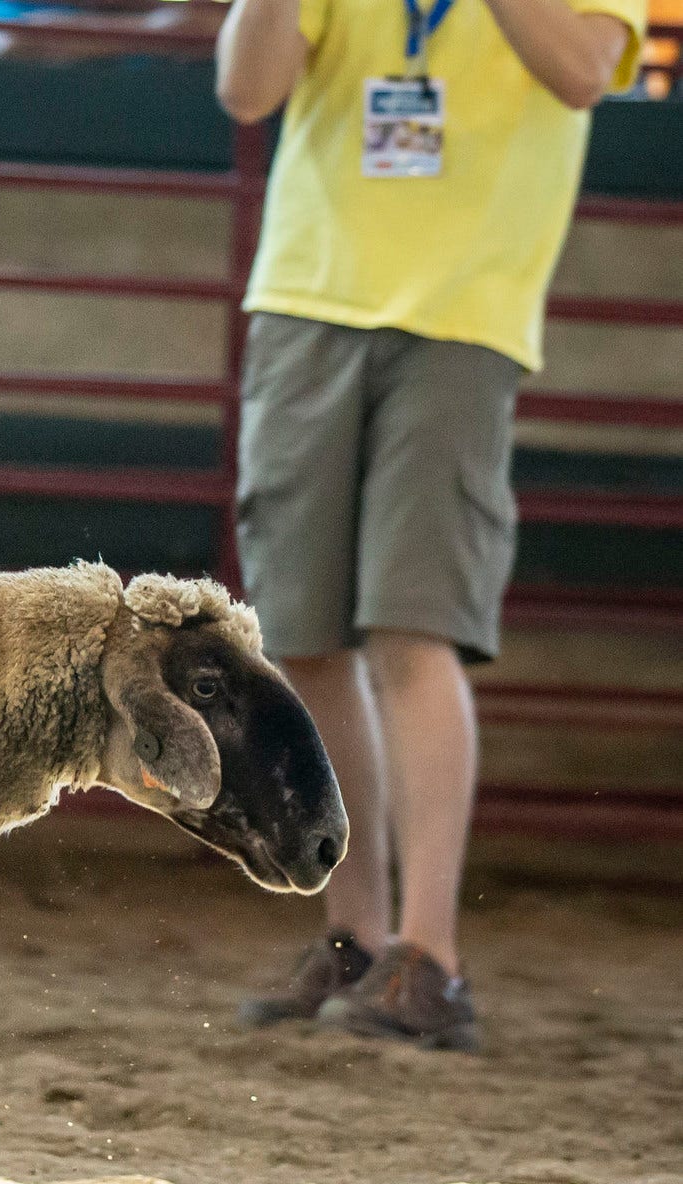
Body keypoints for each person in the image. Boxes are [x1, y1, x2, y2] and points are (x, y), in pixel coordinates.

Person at [218, 0, 644, 1050]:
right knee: (305, 638)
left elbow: (586, 68)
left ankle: (432, 957)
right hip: (309, 297)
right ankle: (353, 936)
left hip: (462, 315)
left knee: (414, 629)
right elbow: (245, 87)